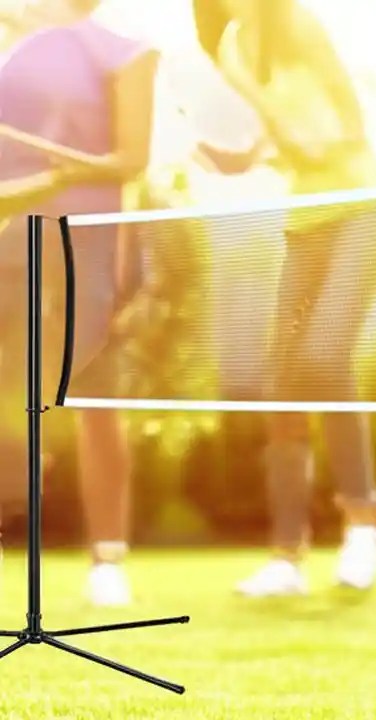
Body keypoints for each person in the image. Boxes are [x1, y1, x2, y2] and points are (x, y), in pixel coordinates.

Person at [192, 0, 376, 598]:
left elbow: (348, 119)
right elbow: (277, 126)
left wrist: (322, 142)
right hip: (304, 220)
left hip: (363, 208)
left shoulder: (298, 23)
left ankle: (362, 529)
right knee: (281, 386)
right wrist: (249, 158)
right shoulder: (231, 47)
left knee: (325, 358)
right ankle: (287, 557)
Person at [0, 0, 157, 608]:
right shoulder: (16, 42)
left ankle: (108, 558)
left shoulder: (124, 47)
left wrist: (62, 176)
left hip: (88, 239)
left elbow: (132, 159)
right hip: (14, 239)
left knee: (92, 392)